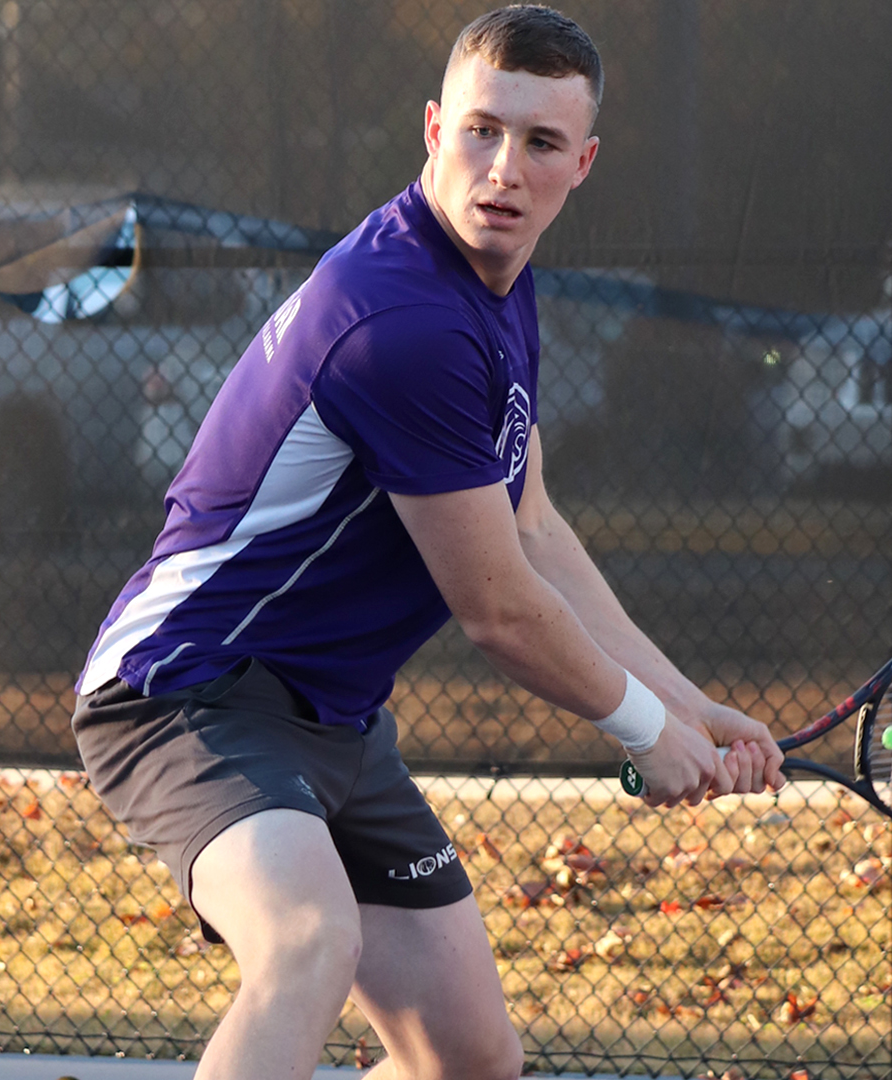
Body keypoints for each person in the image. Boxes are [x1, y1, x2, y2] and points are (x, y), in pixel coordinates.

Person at [72, 7, 786, 1078]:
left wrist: (685, 703)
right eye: (481, 131)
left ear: (581, 163)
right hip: (191, 693)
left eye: (541, 143)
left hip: (340, 720)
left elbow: (534, 530)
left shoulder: (500, 288)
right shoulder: (403, 321)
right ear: (432, 129)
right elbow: (498, 607)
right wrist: (643, 730)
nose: (504, 168)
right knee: (307, 944)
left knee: (467, 1061)